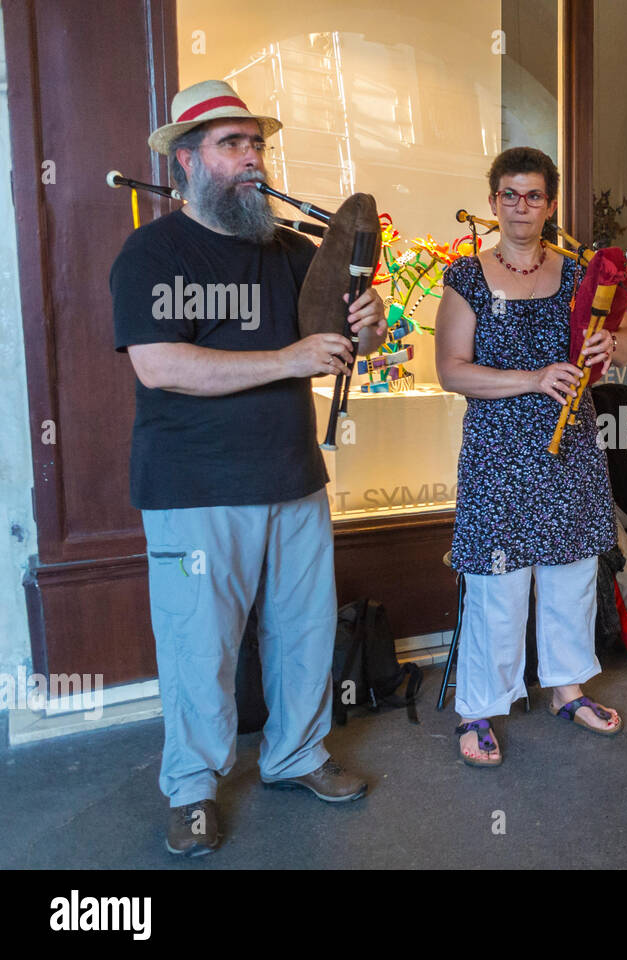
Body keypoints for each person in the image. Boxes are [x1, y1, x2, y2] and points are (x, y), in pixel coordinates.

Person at [111, 80, 382, 857]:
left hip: (293, 476)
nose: (252, 158)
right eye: (233, 145)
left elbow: (336, 343)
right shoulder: (154, 253)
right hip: (195, 487)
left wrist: (358, 322)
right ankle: (192, 788)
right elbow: (160, 365)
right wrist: (288, 358)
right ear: (188, 160)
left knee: (303, 631)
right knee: (202, 644)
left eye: (257, 143)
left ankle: (296, 755)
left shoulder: (294, 251)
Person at [434, 147, 627, 765]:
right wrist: (531, 378)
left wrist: (613, 341)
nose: (521, 206)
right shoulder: (467, 278)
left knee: (572, 576)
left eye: (533, 195)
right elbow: (450, 371)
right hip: (499, 458)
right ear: (494, 200)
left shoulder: (581, 275)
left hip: (570, 452)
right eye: (509, 195)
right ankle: (479, 707)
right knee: (496, 587)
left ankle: (567, 688)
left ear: (550, 204)